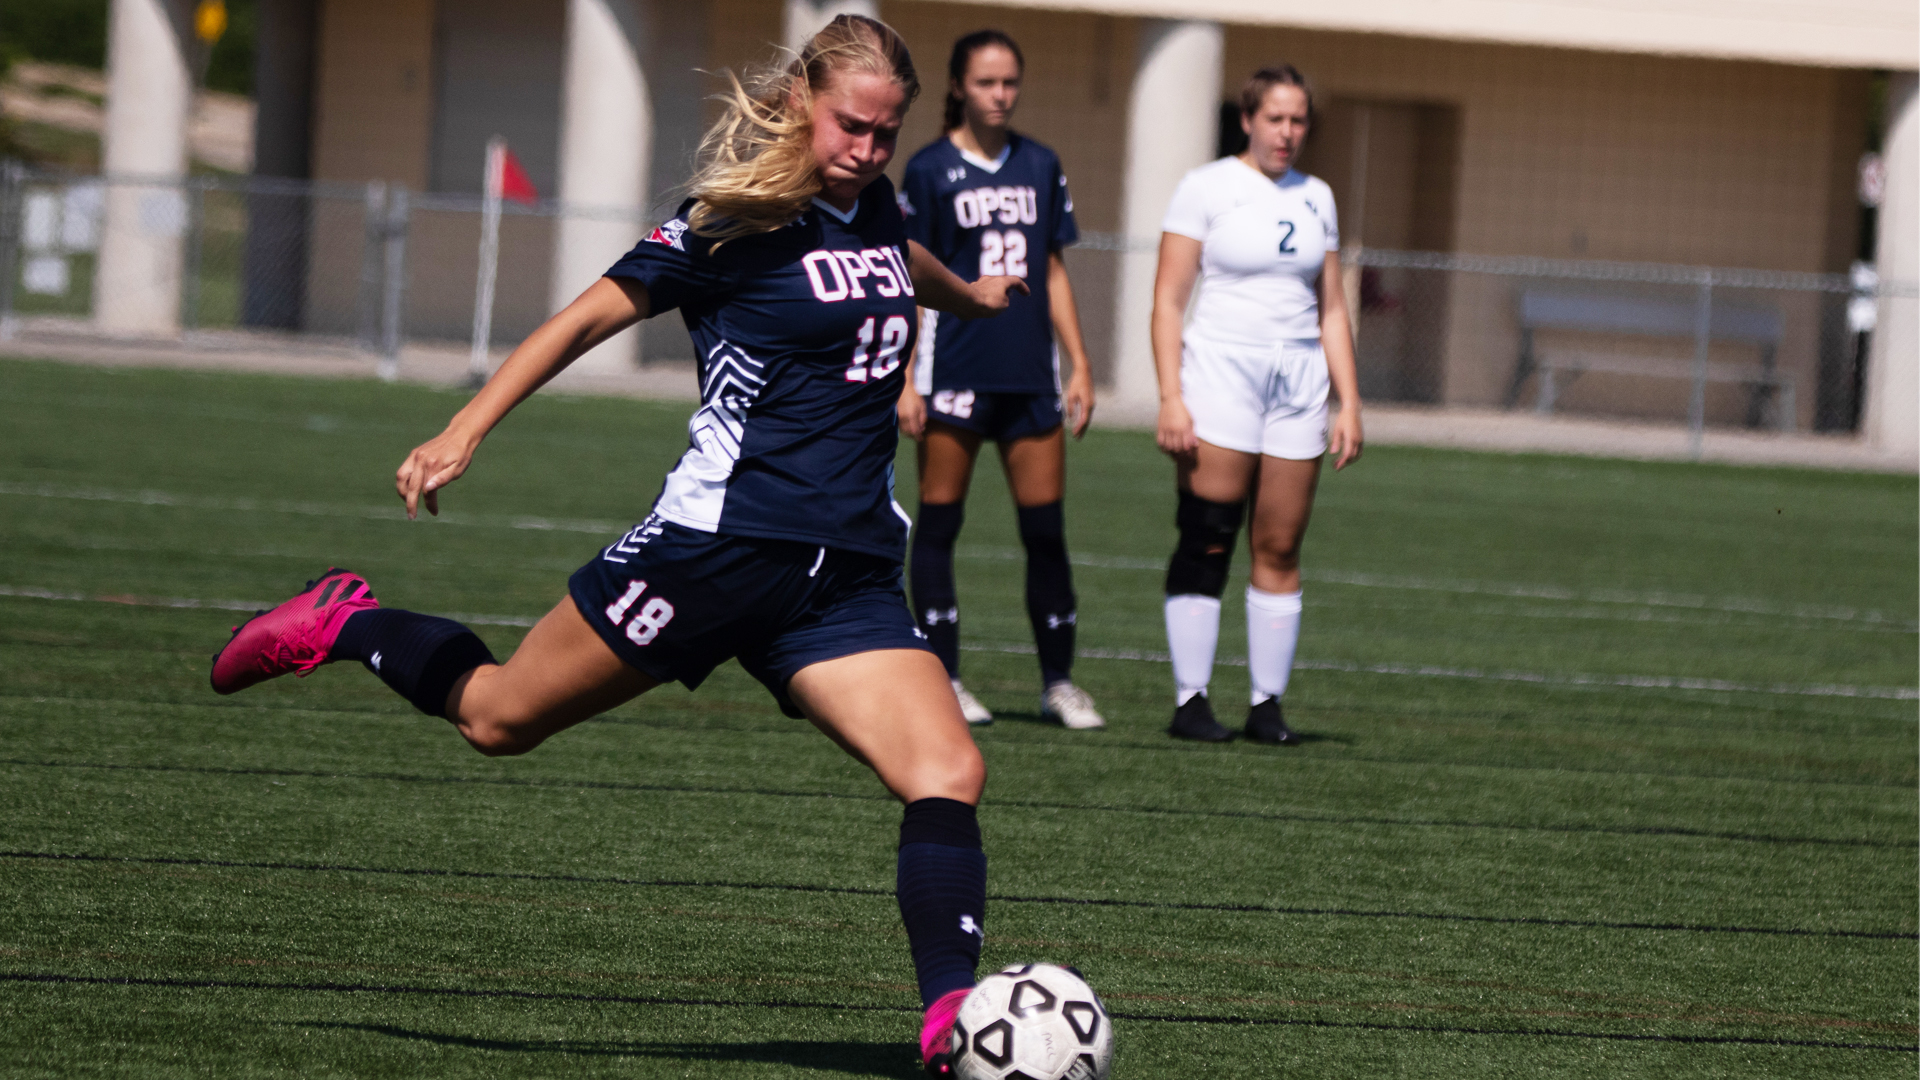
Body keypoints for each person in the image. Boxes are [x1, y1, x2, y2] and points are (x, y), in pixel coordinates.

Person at [207, 17, 1023, 1076]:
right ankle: (345, 620)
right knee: (498, 721)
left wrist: (965, 296)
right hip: (711, 550)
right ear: (796, 105)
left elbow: (898, 257)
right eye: (849, 127)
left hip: (846, 575)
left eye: (886, 132)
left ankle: (948, 1022)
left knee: (948, 768)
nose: (867, 149)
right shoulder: (728, 226)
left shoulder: (877, 203)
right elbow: (583, 321)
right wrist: (465, 428)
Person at [896, 29, 1104, 731]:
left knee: (1045, 531)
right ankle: (946, 677)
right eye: (986, 82)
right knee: (941, 523)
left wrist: (1078, 361)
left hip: (1027, 375)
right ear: (958, 86)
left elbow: (1050, 269)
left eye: (1010, 82)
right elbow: (908, 279)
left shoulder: (1041, 163)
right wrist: (905, 380)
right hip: (953, 369)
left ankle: (1060, 683)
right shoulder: (927, 170)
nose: (1000, 95)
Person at [1151, 64, 1363, 745]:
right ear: (1247, 119)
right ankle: (1191, 701)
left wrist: (1348, 400)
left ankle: (1266, 705)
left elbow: (1331, 307)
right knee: (1209, 532)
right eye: (1275, 118)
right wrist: (1171, 398)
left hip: (1297, 384)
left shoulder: (1318, 197)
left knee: (1278, 542)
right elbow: (1167, 301)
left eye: (1298, 120)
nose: (1287, 133)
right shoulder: (1205, 187)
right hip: (1220, 374)